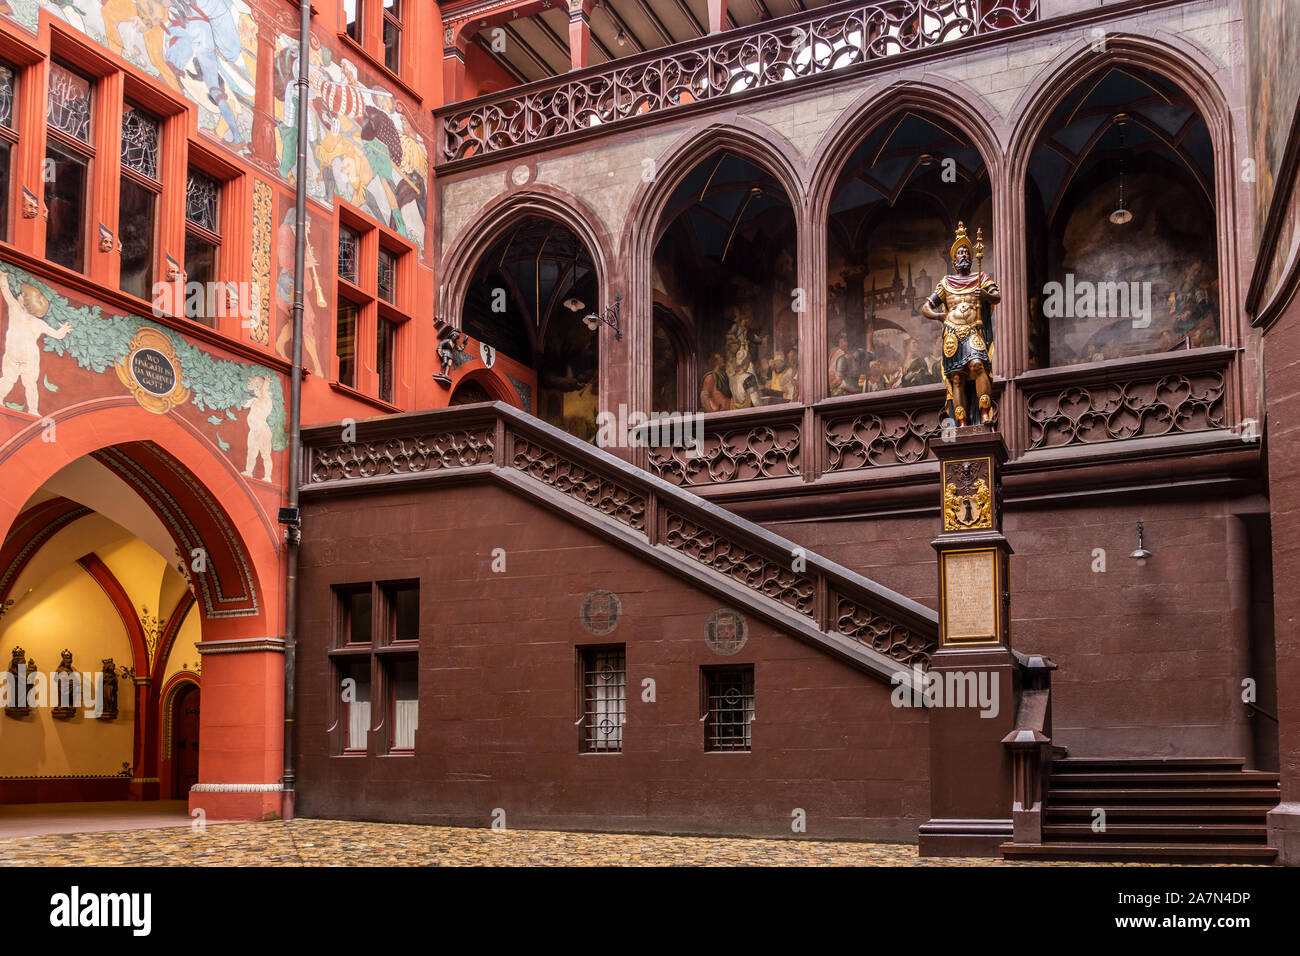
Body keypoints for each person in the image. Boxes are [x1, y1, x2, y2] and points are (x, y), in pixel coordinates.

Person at [0, 280, 72, 415]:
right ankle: (33, 410)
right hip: (29, 356)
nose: (19, 296)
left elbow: (6, 292)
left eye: (22, 295)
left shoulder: (16, 311)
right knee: (30, 384)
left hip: (14, 353)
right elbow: (57, 335)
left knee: (10, 379)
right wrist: (64, 329)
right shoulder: (39, 323)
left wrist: (3, 279)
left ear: (26, 303)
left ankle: (4, 399)